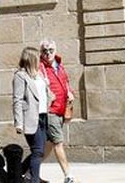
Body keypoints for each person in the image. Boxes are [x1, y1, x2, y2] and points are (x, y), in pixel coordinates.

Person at [40, 39, 77, 183]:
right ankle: (68, 175)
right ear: (41, 52)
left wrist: (70, 92)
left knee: (48, 146)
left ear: (55, 50)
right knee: (58, 142)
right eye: (44, 51)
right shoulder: (41, 67)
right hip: (51, 110)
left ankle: (30, 172)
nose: (48, 53)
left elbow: (65, 82)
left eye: (50, 50)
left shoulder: (59, 65)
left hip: (61, 109)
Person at [12, 47, 49, 183]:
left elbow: (44, 94)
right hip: (31, 118)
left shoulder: (38, 75)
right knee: (38, 150)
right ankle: (33, 180)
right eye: (38, 58)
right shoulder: (20, 76)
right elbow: (17, 100)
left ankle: (22, 172)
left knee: (40, 150)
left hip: (44, 116)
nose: (40, 60)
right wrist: (19, 123)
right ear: (31, 59)